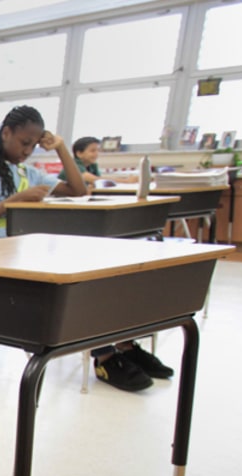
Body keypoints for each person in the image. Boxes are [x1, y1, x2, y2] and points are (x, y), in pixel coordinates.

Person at [58, 136, 172, 390]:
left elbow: (78, 190)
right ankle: (105, 356)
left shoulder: (27, 169)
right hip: (29, 241)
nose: (96, 154)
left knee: (119, 270)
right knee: (88, 277)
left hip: (58, 232)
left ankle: (125, 344)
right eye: (92, 150)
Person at [0, 105, 88, 241]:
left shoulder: (28, 172)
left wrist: (60, 147)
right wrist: (18, 199)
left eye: (33, 146)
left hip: (25, 245)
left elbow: (78, 191)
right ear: (6, 133)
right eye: (24, 143)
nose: (27, 151)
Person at [58, 136, 139, 187]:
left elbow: (100, 183)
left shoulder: (92, 165)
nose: (96, 154)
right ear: (79, 153)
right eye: (92, 151)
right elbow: (97, 180)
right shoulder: (73, 165)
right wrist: (127, 181)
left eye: (98, 150)